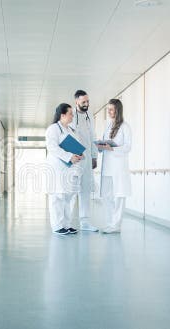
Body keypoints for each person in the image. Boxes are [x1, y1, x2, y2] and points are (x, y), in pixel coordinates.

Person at [45, 103, 84, 235]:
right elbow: (52, 147)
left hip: (71, 169)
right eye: (70, 114)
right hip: (58, 169)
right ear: (62, 115)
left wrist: (79, 154)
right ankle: (57, 226)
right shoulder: (53, 129)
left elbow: (77, 146)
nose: (73, 116)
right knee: (57, 197)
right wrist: (68, 157)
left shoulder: (71, 130)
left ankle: (66, 225)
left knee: (69, 197)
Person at [97, 99, 132, 234]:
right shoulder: (108, 126)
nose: (109, 112)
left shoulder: (125, 127)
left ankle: (116, 225)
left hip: (118, 167)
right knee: (106, 196)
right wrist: (100, 147)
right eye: (108, 109)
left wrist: (113, 149)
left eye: (112, 109)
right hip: (107, 167)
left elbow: (128, 147)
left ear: (118, 110)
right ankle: (110, 223)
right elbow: (106, 145)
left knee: (119, 196)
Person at [69, 90, 99, 232]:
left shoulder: (89, 116)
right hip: (75, 158)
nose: (86, 104)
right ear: (76, 102)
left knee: (86, 190)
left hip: (87, 158)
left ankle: (85, 223)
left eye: (88, 102)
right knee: (71, 190)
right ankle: (65, 222)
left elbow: (93, 136)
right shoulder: (70, 115)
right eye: (83, 102)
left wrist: (94, 156)